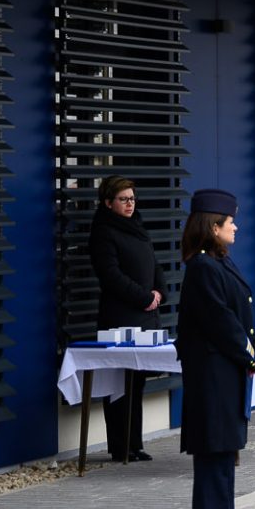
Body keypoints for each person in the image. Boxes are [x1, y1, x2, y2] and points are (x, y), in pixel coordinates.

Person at [175, 188, 255, 509]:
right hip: (213, 376)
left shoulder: (218, 262)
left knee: (224, 454)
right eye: (230, 222)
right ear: (213, 227)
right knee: (214, 455)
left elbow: (240, 315)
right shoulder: (202, 268)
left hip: (226, 372)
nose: (236, 227)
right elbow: (221, 322)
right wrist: (250, 356)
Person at [88, 175, 164, 463]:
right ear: (108, 203)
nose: (130, 204)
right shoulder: (103, 232)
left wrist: (159, 292)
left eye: (132, 198)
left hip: (145, 316)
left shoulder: (137, 227)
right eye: (123, 199)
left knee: (138, 381)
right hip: (120, 317)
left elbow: (154, 264)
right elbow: (111, 275)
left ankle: (135, 443)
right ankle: (120, 446)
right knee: (118, 383)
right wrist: (143, 297)